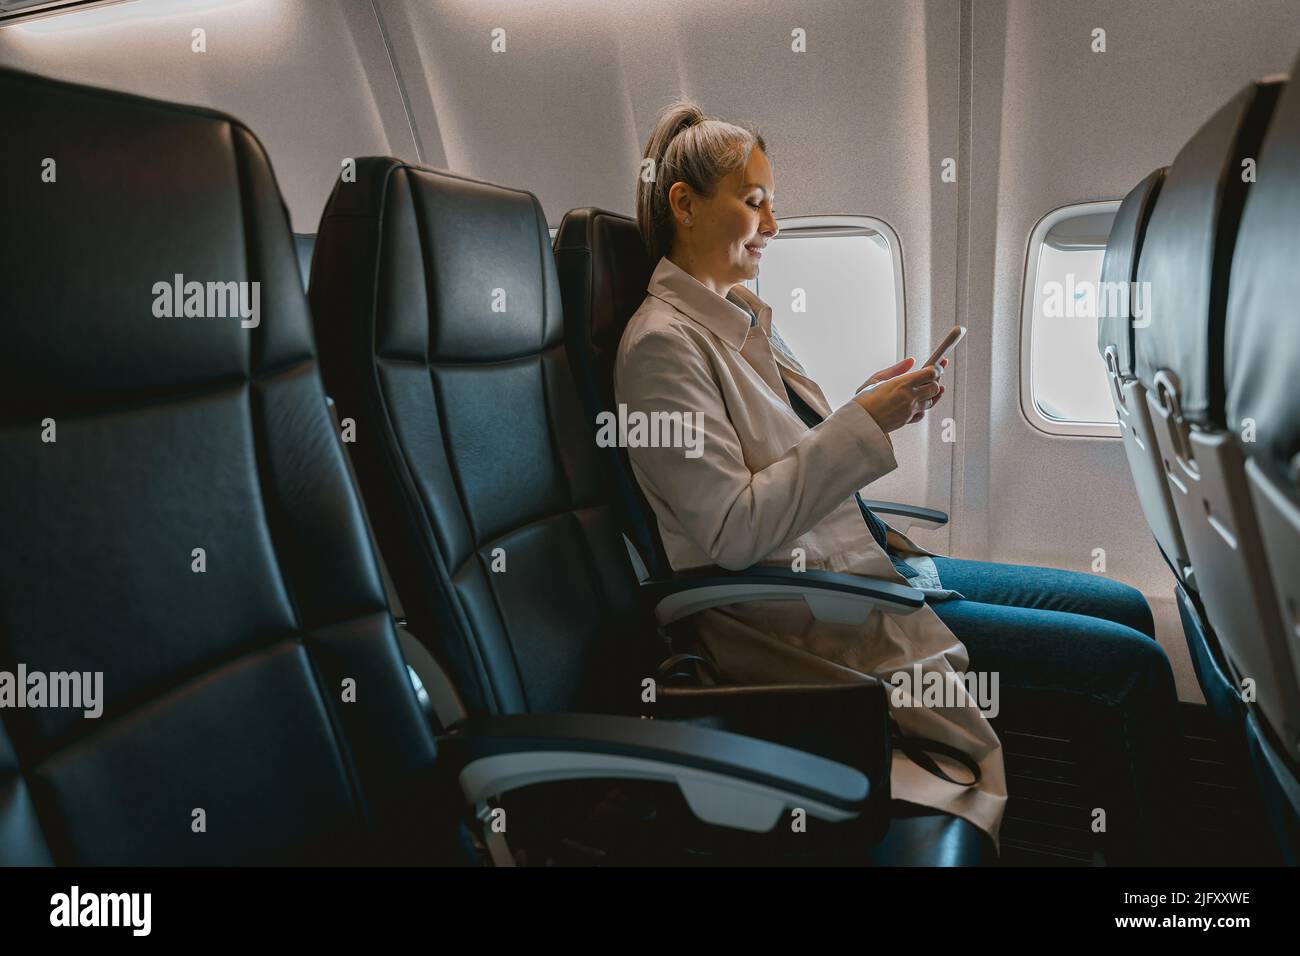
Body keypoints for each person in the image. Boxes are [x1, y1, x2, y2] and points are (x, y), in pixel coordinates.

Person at [614, 98, 1182, 859]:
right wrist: (865, 426)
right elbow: (731, 531)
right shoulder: (660, 349)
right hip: (801, 606)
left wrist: (871, 406)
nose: (774, 228)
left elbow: (788, 452)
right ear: (685, 205)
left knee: (1122, 605)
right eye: (754, 204)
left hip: (863, 558)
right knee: (1132, 672)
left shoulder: (740, 314)